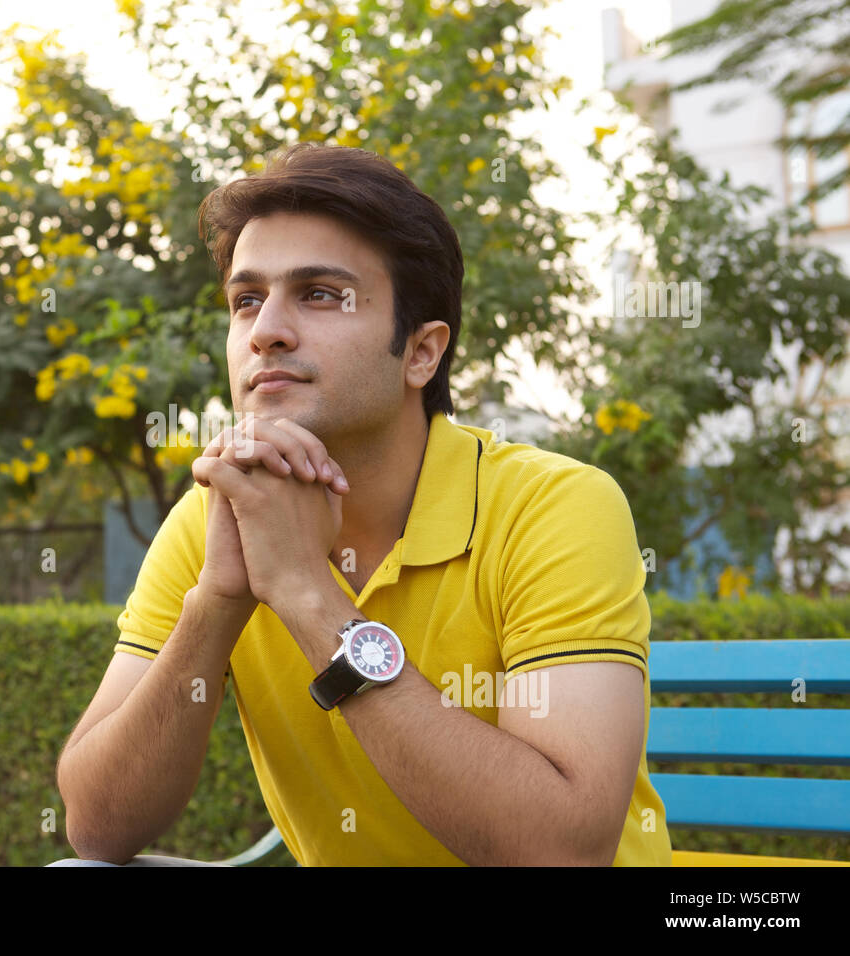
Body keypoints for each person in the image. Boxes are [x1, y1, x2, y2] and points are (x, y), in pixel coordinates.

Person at [50, 142, 672, 866]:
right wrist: (219, 598)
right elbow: (97, 826)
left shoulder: (554, 506)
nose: (264, 331)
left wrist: (306, 592)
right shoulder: (214, 518)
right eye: (247, 299)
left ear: (421, 353)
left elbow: (562, 852)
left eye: (319, 294)